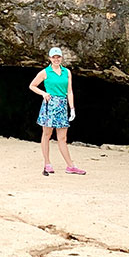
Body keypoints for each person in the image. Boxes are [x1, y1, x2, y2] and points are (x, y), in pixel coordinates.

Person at [29, 46, 85, 176]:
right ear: (50, 58)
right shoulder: (45, 72)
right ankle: (47, 163)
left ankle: (70, 166)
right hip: (50, 104)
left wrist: (72, 109)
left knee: (62, 137)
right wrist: (43, 93)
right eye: (53, 57)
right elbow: (32, 86)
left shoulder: (67, 72)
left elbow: (69, 91)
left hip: (62, 104)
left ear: (61, 58)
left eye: (58, 57)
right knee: (47, 134)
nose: (56, 59)